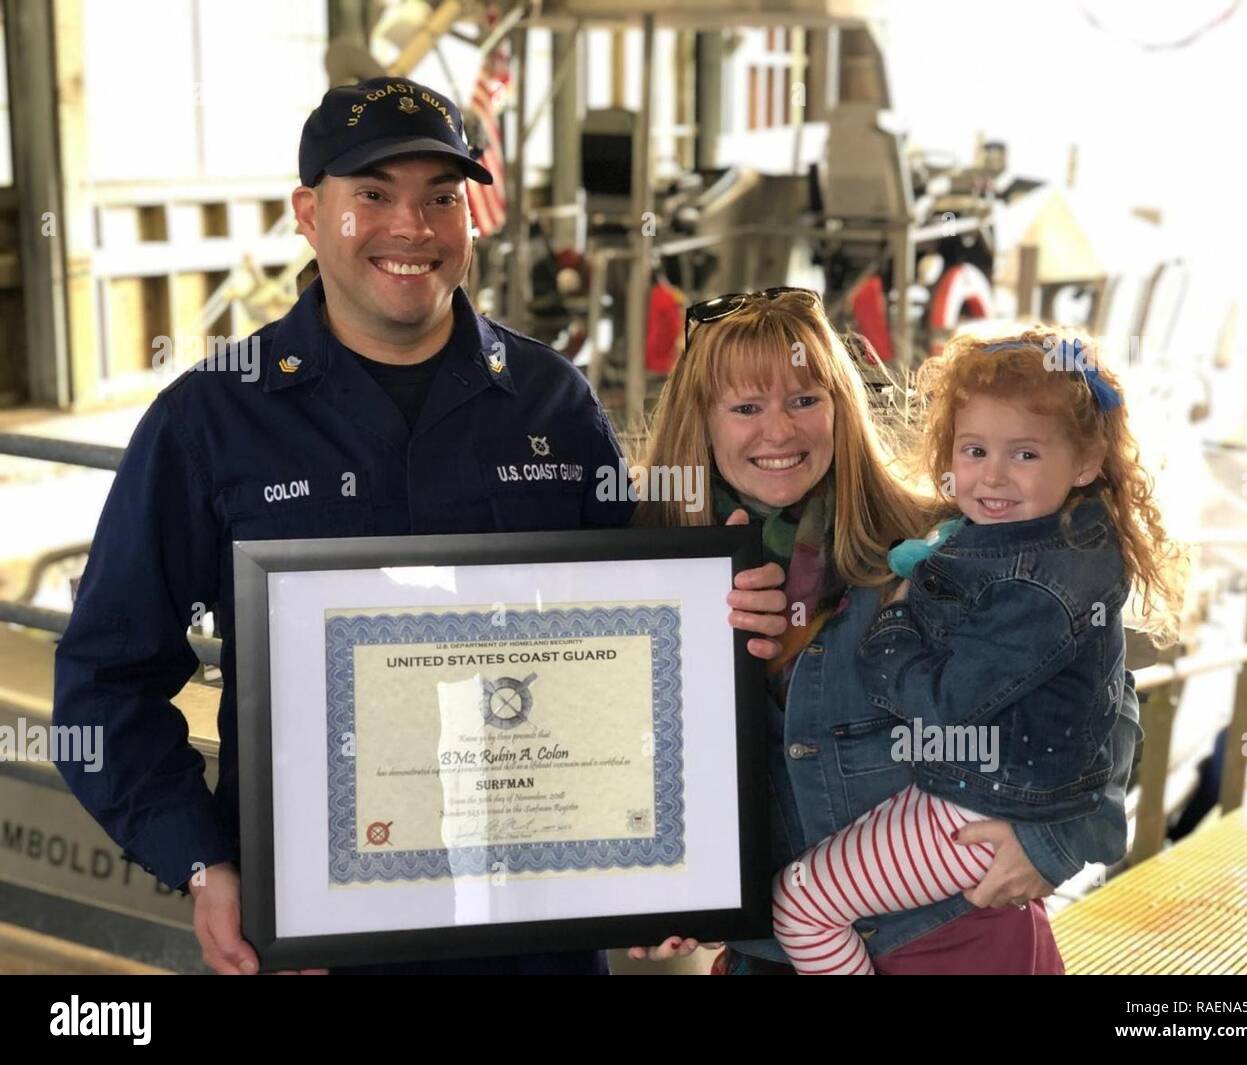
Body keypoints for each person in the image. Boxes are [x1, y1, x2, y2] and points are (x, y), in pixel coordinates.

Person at [52, 78, 786, 976]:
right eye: (372, 195)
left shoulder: (555, 402)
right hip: (323, 936)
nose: (413, 227)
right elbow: (105, 684)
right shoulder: (210, 420)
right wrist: (204, 861)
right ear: (308, 213)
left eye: (441, 197)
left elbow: (638, 651)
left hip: (541, 929)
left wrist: (674, 847)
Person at [629, 291, 1144, 974]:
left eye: (805, 400)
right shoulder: (649, 579)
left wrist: (1059, 837)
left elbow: (1101, 694)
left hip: (959, 938)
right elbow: (628, 757)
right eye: (747, 407)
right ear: (703, 421)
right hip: (775, 955)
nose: (778, 431)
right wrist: (652, 889)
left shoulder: (939, 541)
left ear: (841, 406)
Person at [769, 326, 1185, 974]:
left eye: (1024, 454)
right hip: (956, 803)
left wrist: (1057, 838)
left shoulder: (1019, 570)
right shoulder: (1001, 537)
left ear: (1084, 460)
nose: (993, 473)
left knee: (802, 901)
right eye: (976, 449)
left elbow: (1094, 700)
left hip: (974, 843)